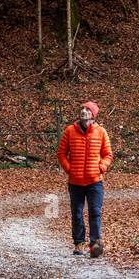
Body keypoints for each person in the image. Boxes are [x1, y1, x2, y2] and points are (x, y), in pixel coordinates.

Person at [57, 101, 113, 257]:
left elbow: (108, 154)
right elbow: (61, 153)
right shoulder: (69, 131)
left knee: (95, 211)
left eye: (87, 109)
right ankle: (79, 244)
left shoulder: (101, 132)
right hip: (75, 182)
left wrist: (101, 167)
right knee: (77, 213)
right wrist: (69, 169)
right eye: (82, 108)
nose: (83, 111)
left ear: (93, 115)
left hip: (95, 181)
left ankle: (95, 244)